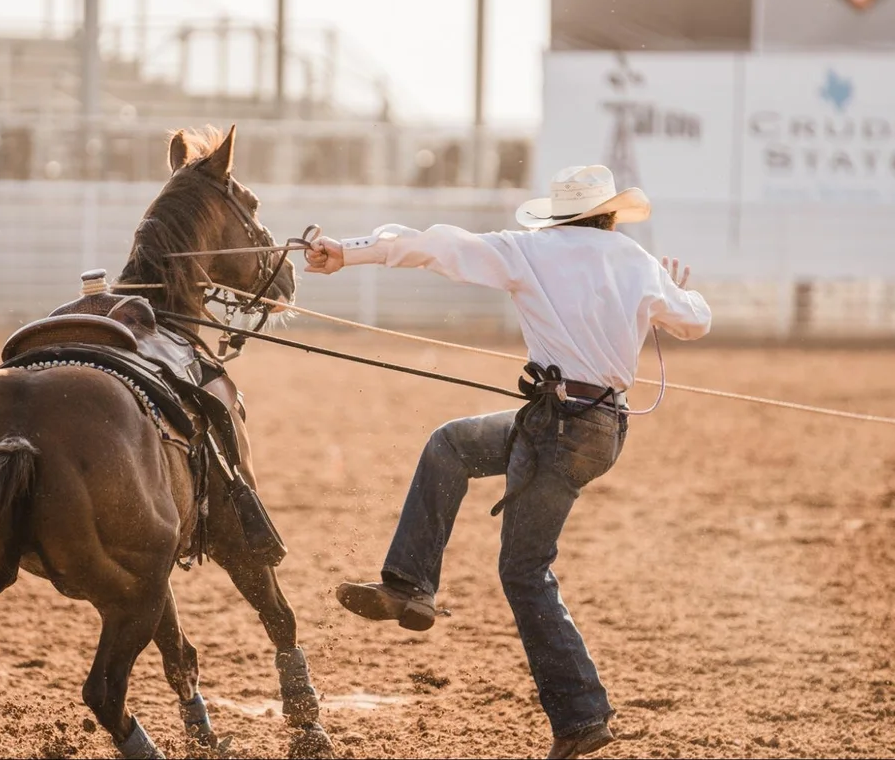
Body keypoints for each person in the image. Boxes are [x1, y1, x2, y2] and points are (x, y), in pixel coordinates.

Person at [304, 164, 711, 759]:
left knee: (524, 570)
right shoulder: (637, 263)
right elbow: (695, 321)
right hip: (595, 427)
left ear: (559, 215)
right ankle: (410, 585)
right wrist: (679, 290)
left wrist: (348, 251)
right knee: (453, 446)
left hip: (557, 427)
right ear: (610, 214)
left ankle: (581, 716)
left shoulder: (530, 250)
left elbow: (436, 245)